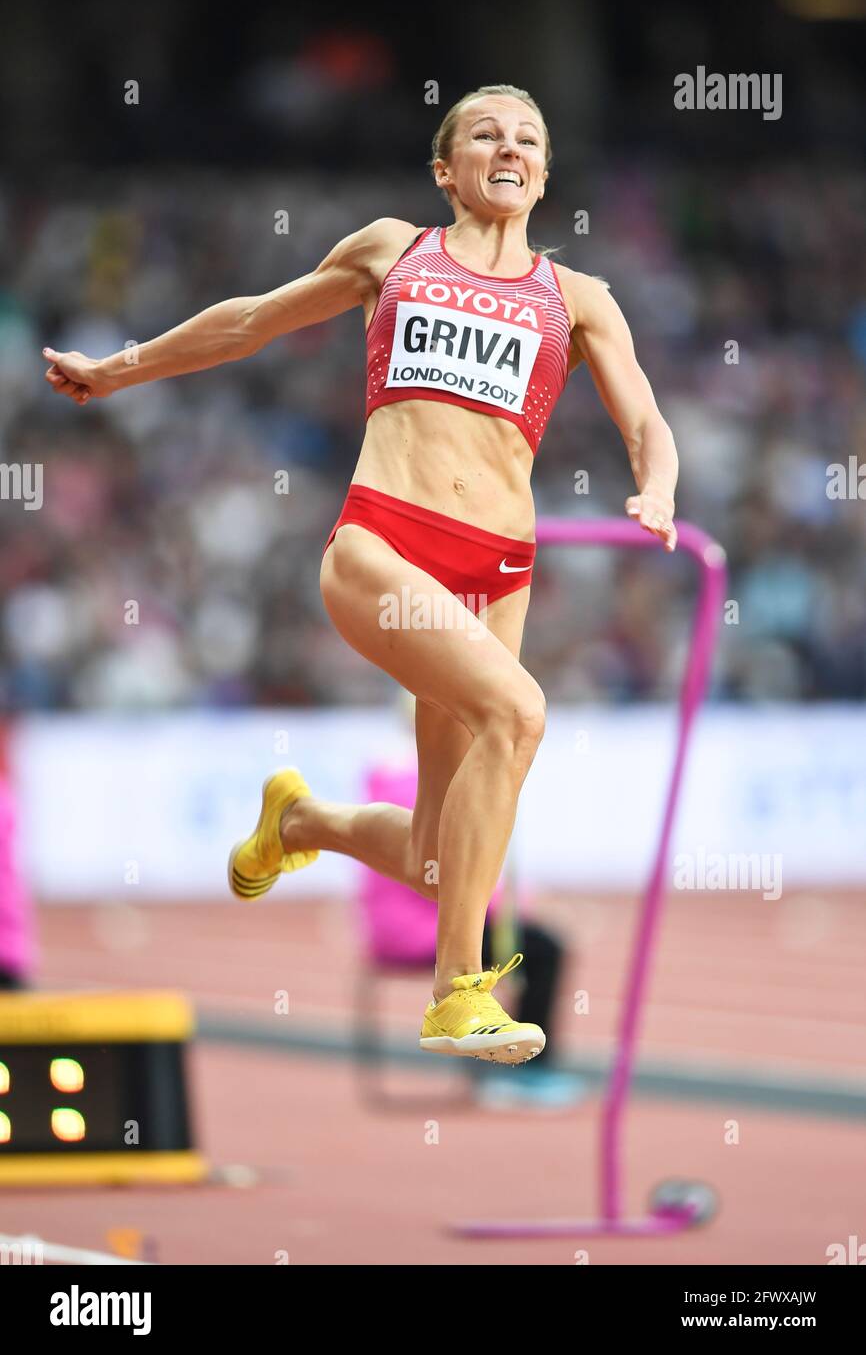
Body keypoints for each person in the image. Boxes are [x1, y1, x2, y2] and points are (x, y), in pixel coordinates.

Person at [42, 84, 679, 1066]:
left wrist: (658, 485)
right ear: (445, 168)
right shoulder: (393, 248)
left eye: (527, 139)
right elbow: (251, 319)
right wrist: (116, 369)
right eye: (483, 133)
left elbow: (642, 418)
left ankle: (300, 819)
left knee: (436, 857)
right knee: (517, 714)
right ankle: (459, 991)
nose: (506, 147)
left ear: (543, 174)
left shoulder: (579, 299)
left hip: (497, 571)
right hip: (381, 541)